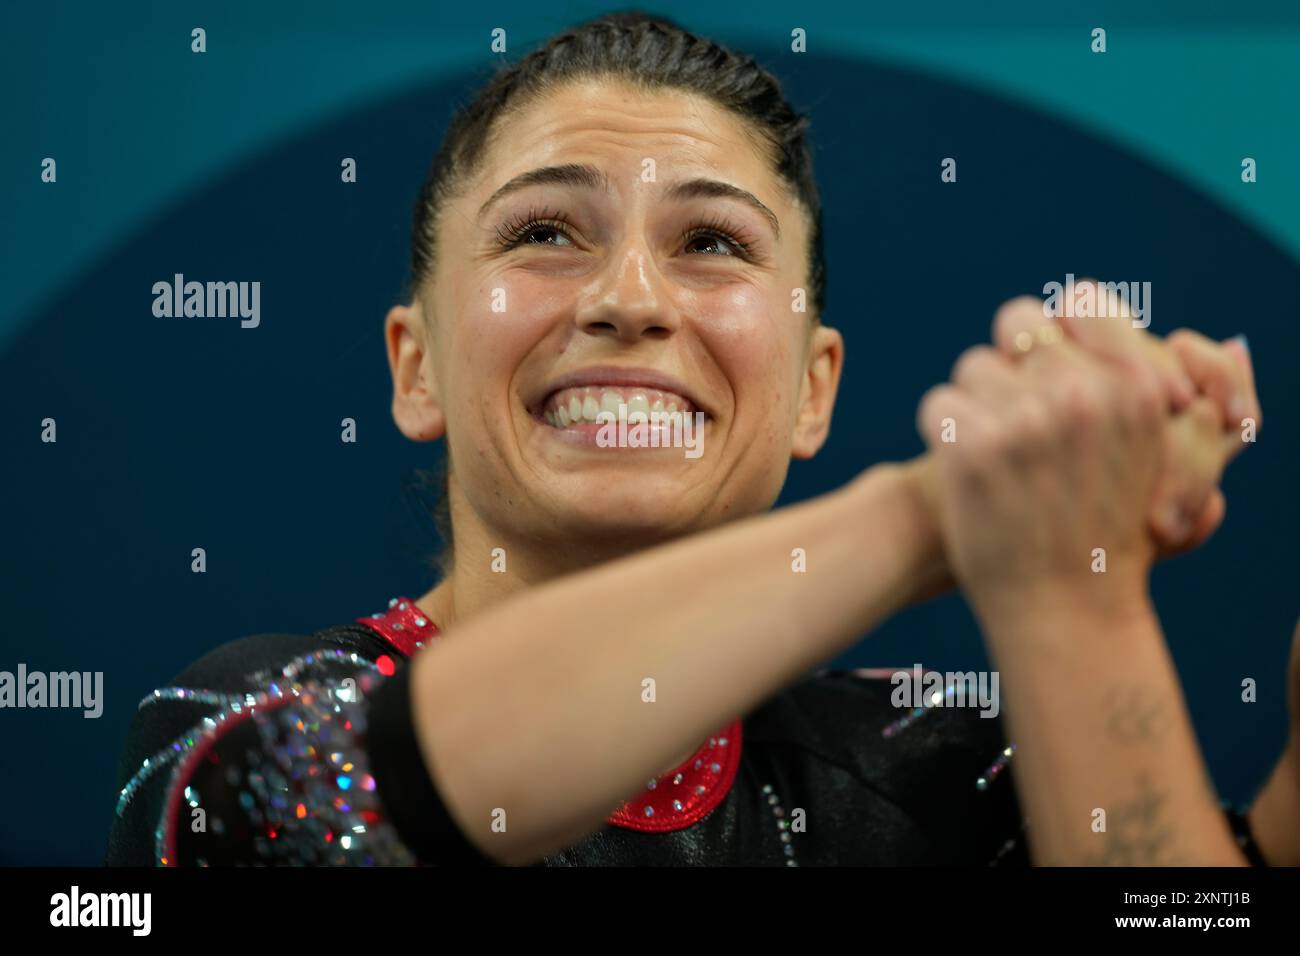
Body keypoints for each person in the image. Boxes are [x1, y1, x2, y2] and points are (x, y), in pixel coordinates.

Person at [104, 11, 1290, 867]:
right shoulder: (250, 716)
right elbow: (293, 809)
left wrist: (1067, 587)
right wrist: (942, 511)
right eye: (544, 232)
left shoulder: (949, 764)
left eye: (713, 243)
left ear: (815, 388)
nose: (630, 296)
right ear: (415, 366)